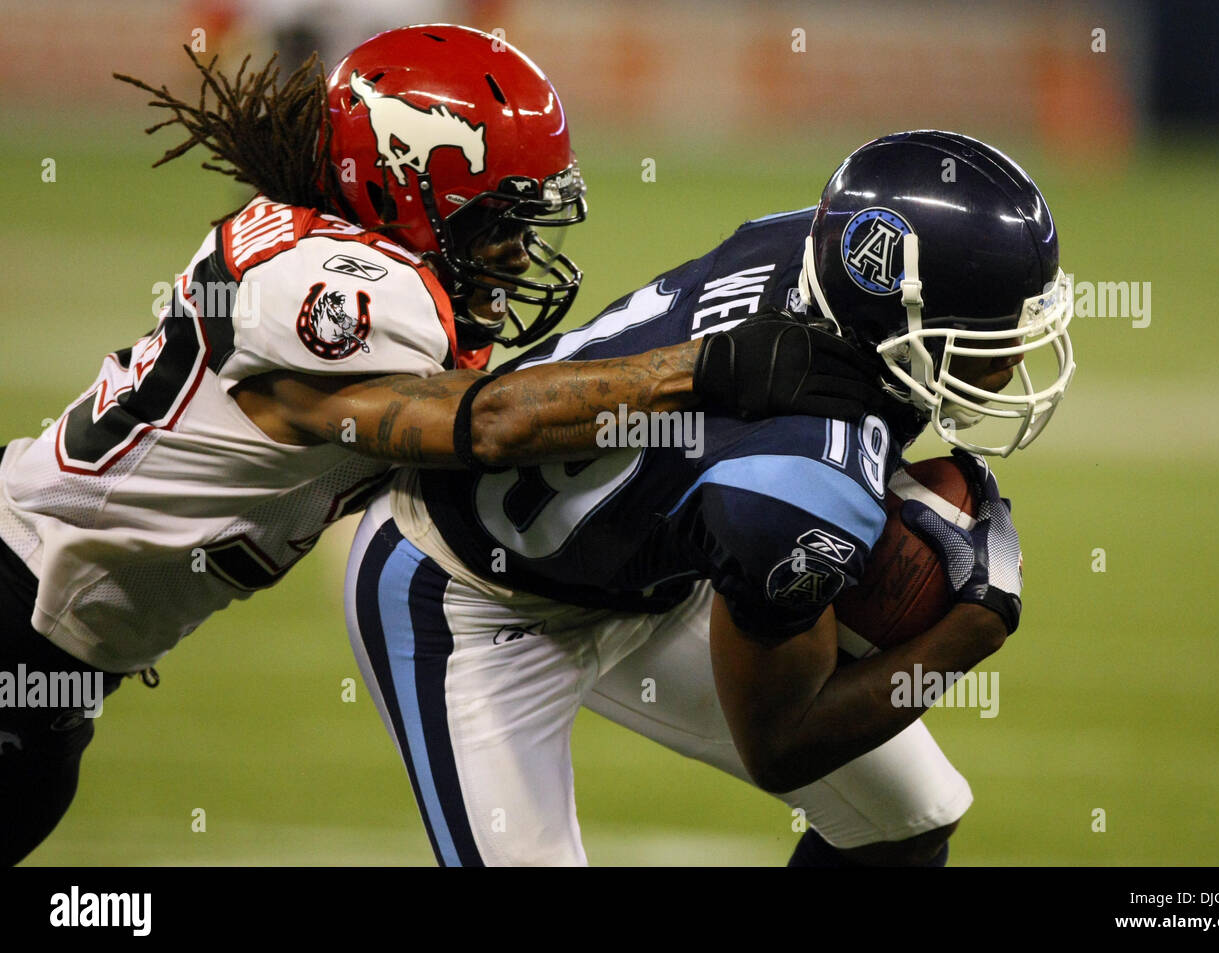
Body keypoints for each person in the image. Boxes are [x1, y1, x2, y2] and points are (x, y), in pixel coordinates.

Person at [0, 25, 874, 866]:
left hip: (55, 646)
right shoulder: (330, 290)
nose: (518, 250)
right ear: (401, 185)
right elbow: (484, 425)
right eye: (496, 220)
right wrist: (709, 369)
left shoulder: (333, 249)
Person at [345, 130, 1077, 866]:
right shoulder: (802, 482)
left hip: (645, 557)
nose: (1014, 352)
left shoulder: (815, 248)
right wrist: (973, 626)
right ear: (902, 317)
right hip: (468, 592)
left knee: (906, 818)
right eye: (994, 327)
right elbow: (782, 745)